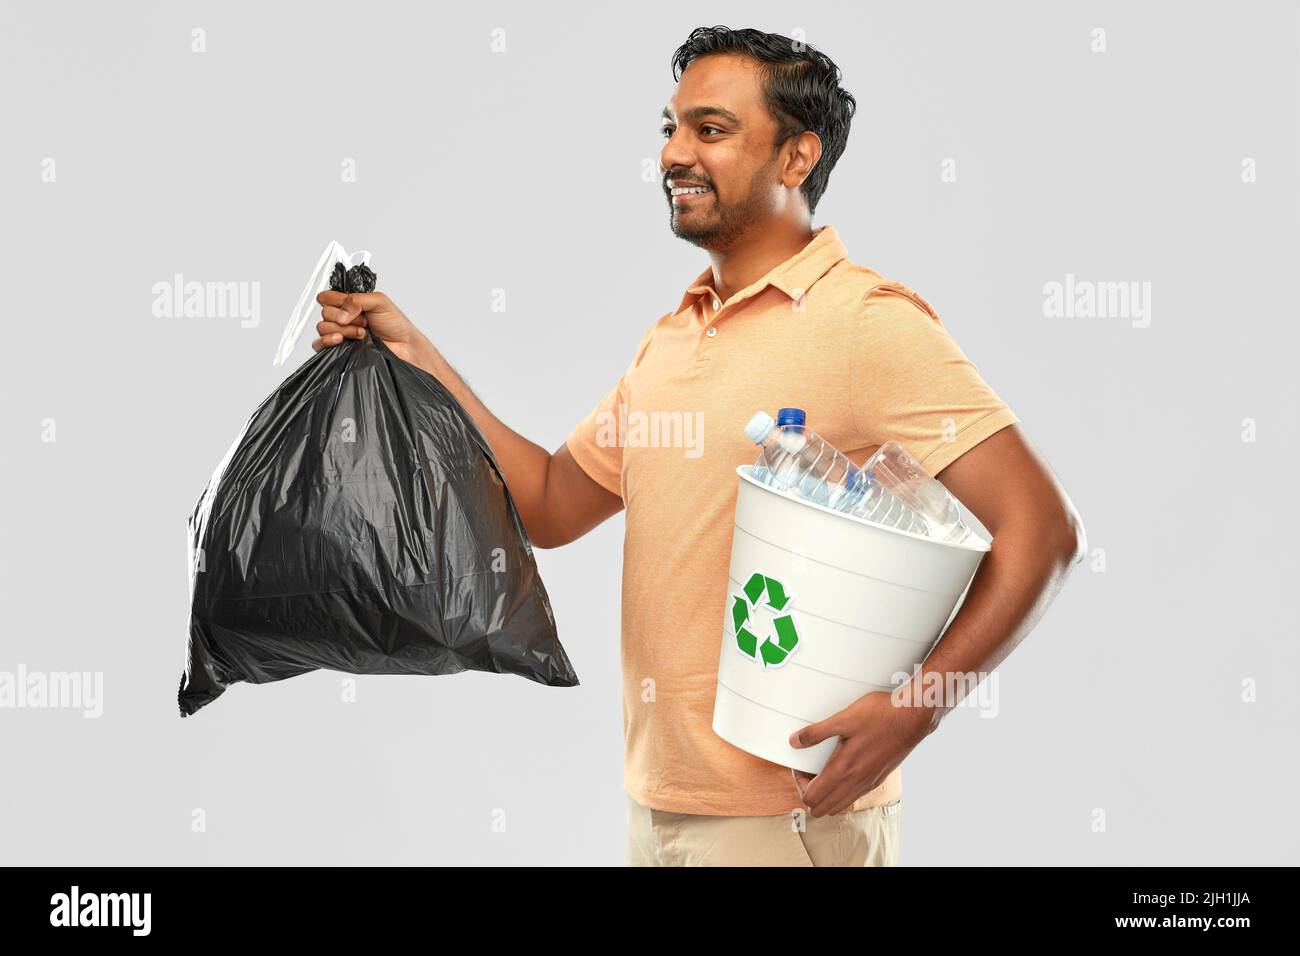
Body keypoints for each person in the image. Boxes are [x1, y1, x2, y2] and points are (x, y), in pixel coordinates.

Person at [311, 26, 1086, 866]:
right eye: (670, 128)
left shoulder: (865, 323)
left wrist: (916, 707)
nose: (674, 154)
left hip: (789, 821)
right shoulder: (672, 339)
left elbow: (1041, 530)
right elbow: (547, 501)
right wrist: (414, 355)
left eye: (710, 131)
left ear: (796, 158)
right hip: (658, 809)